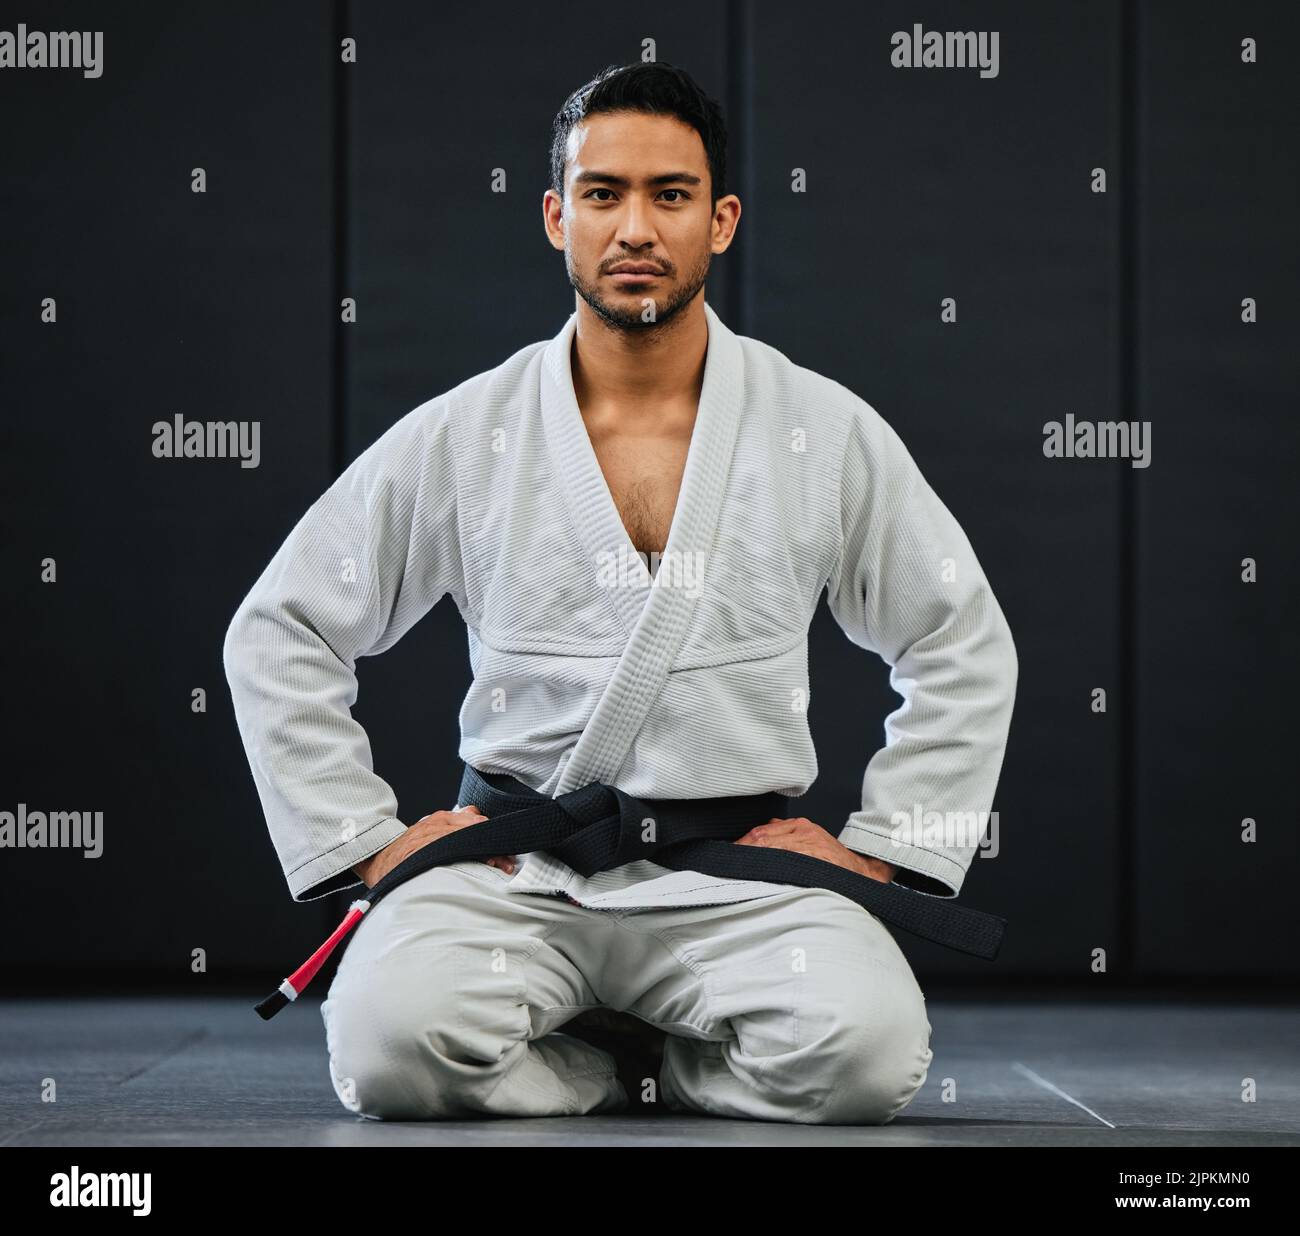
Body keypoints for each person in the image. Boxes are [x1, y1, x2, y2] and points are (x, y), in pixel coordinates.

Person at [222, 61, 1018, 1124]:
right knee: (387, 1052)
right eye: (601, 194)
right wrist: (363, 836)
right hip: (514, 873)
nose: (633, 226)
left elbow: (959, 637)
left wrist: (882, 843)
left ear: (721, 220)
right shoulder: (471, 430)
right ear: (556, 216)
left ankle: (648, 1066)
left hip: (731, 878)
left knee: (862, 1059)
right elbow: (280, 629)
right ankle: (611, 1072)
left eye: (670, 194)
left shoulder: (816, 429)